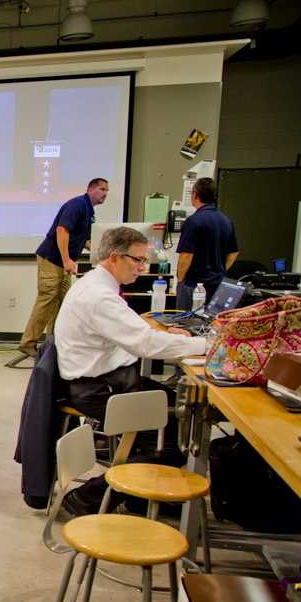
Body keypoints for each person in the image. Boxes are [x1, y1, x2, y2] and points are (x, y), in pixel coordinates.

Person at [54, 226, 207, 423]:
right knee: (183, 413)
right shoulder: (99, 296)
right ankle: (143, 450)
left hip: (102, 380)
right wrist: (204, 345)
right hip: (99, 390)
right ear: (115, 257)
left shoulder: (95, 283)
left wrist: (167, 333)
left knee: (175, 400)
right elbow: (146, 344)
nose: (142, 267)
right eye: (138, 260)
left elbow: (128, 325)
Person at [18, 178, 109, 356]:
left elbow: (84, 240)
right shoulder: (77, 205)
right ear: (90, 190)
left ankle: (55, 343)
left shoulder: (89, 212)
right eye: (101, 189)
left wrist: (102, 256)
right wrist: (67, 260)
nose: (105, 193)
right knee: (47, 299)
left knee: (64, 302)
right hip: (52, 260)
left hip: (63, 263)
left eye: (107, 191)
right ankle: (28, 342)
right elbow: (62, 230)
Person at [176, 178, 239, 311]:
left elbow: (186, 255)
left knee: (185, 324)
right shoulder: (226, 221)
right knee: (211, 323)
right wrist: (220, 270)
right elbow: (233, 252)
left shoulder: (193, 221)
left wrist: (180, 281)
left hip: (192, 284)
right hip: (217, 284)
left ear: (195, 195)